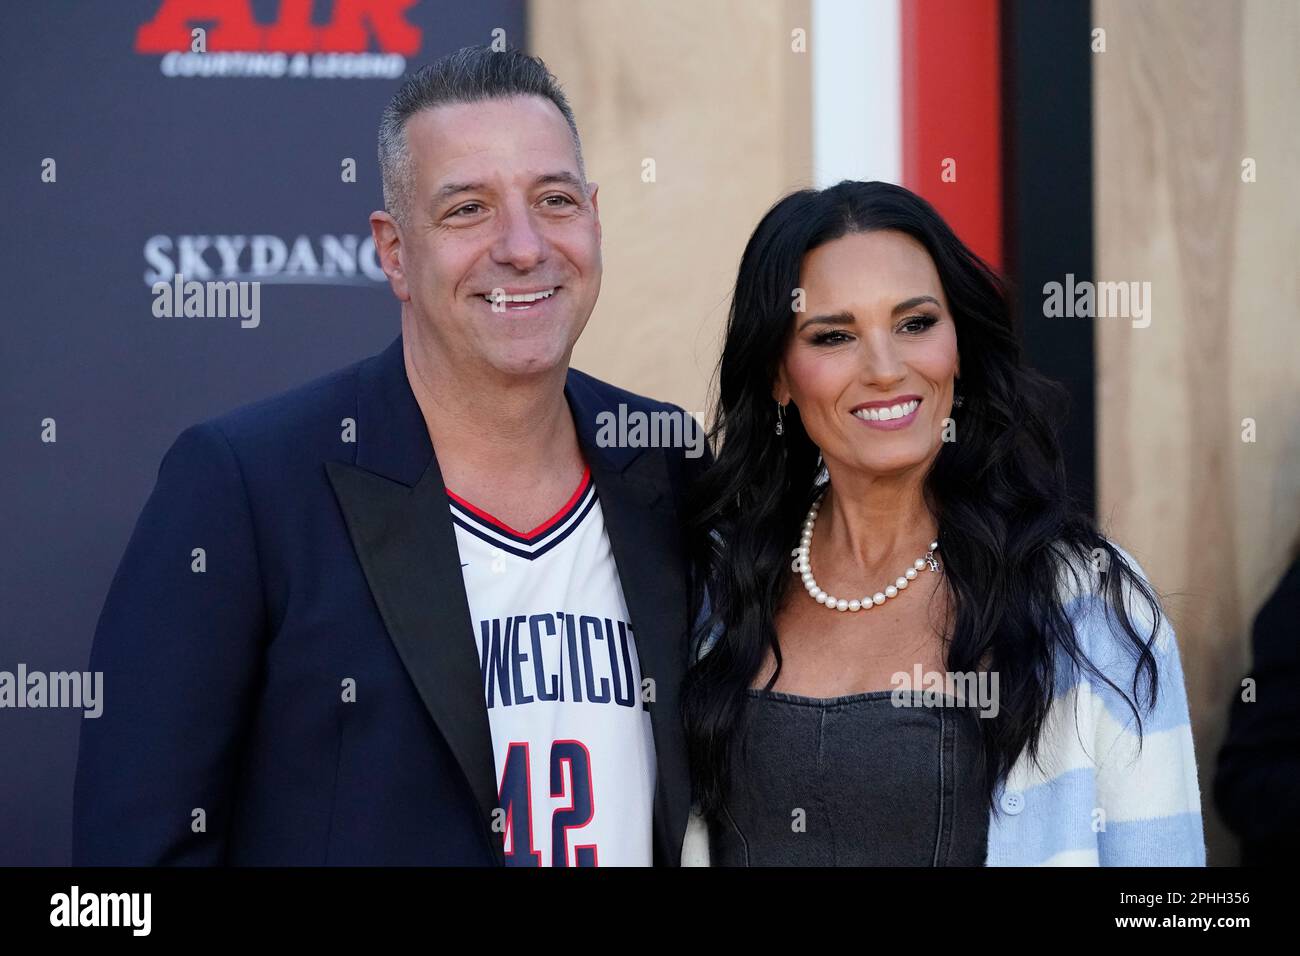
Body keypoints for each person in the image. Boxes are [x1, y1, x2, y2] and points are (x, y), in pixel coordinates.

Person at [72, 46, 705, 866]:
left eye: (553, 200)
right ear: (395, 250)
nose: (522, 246)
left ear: (593, 216)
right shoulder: (246, 486)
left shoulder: (665, 462)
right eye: (467, 209)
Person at [680, 180, 1205, 866]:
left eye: (915, 323)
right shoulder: (718, 587)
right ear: (780, 376)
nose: (886, 368)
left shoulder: (1086, 598)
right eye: (833, 335)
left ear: (959, 343)